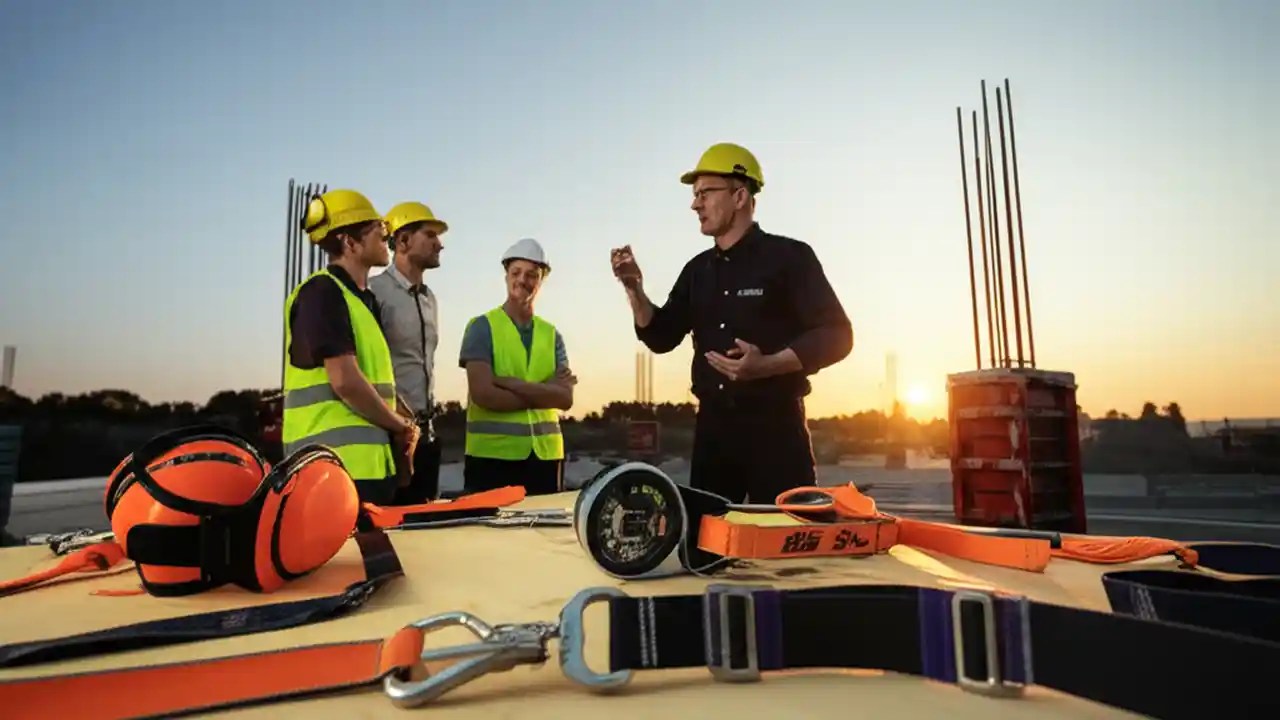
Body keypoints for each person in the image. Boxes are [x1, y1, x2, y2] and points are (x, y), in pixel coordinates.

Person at [611, 143, 852, 503]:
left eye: (705, 193)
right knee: (709, 544)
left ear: (740, 196)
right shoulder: (697, 272)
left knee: (780, 546)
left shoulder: (789, 258)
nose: (695, 204)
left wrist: (769, 365)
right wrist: (633, 288)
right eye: (695, 196)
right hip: (714, 435)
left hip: (777, 432)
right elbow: (660, 336)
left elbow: (837, 335)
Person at [282, 188, 419, 505]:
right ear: (349, 241)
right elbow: (344, 380)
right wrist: (398, 424)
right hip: (332, 473)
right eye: (378, 229)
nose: (386, 236)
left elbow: (372, 380)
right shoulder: (321, 293)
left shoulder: (363, 301)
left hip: (368, 469)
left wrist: (405, 425)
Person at [458, 238, 575, 495]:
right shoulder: (481, 327)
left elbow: (565, 398)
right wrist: (545, 392)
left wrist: (514, 385)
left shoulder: (552, 335)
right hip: (492, 458)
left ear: (542, 280)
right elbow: (484, 394)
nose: (522, 280)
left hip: (546, 459)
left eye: (532, 275)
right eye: (516, 273)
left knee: (543, 534)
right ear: (506, 276)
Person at [369, 201, 447, 504]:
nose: (439, 245)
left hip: (426, 436)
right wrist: (397, 420)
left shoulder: (431, 300)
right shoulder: (374, 293)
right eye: (430, 235)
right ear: (402, 241)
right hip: (392, 437)